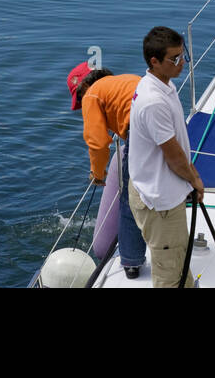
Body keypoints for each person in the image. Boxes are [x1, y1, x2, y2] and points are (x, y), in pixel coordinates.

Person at [128, 26, 204, 288]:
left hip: (166, 193)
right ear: (154, 61)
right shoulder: (153, 101)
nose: (182, 63)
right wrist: (195, 180)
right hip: (159, 203)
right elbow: (172, 156)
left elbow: (177, 146)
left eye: (183, 56)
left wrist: (190, 178)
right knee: (170, 275)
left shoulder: (162, 85)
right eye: (175, 59)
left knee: (179, 262)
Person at [67, 62, 146, 278]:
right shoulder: (122, 81)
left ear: (83, 87)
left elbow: (98, 143)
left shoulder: (92, 95)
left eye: (79, 98)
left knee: (130, 200)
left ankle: (131, 261)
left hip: (141, 131)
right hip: (166, 124)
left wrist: (98, 174)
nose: (82, 103)